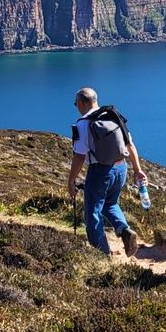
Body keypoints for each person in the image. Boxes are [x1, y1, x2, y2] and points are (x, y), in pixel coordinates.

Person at [66, 87, 146, 257]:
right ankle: (125, 231)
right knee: (110, 203)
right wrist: (137, 170)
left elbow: (79, 156)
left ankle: (102, 255)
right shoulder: (113, 116)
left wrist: (71, 180)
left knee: (92, 213)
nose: (76, 106)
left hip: (100, 172)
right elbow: (130, 145)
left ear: (82, 103)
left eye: (76, 103)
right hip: (121, 168)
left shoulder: (84, 123)